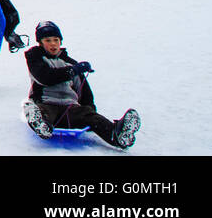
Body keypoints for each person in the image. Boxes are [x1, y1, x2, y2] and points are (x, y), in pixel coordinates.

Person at [24, 21, 140, 149]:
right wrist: (73, 71)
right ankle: (40, 122)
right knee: (42, 112)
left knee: (90, 117)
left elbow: (83, 89)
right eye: (47, 40)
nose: (53, 43)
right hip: (46, 103)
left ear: (60, 42)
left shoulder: (70, 63)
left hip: (69, 107)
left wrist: (89, 109)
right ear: (40, 43)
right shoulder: (35, 58)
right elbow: (45, 77)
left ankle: (117, 134)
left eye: (56, 40)